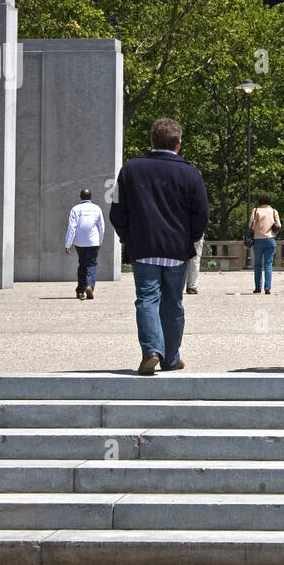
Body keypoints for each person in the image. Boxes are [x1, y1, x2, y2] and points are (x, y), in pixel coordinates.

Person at [109, 118, 209, 375]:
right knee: (173, 302)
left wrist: (127, 238)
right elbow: (201, 214)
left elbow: (117, 212)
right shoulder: (191, 173)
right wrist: (191, 239)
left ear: (152, 141)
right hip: (177, 249)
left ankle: (152, 350)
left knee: (147, 299)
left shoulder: (130, 170)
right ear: (178, 144)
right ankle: (172, 357)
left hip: (143, 247)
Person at [65, 188, 105, 300]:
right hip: (93, 241)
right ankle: (90, 286)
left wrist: (68, 244)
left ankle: (81, 291)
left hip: (80, 242)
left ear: (80, 197)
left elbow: (72, 227)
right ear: (90, 197)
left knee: (82, 264)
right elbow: (101, 226)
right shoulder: (96, 208)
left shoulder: (75, 209)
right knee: (92, 264)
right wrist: (100, 240)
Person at [248, 193, 280, 294]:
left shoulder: (256, 210)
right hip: (270, 239)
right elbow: (278, 225)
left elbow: (251, 225)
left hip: (258, 239)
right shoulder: (274, 211)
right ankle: (267, 288)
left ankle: (258, 287)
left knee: (257, 264)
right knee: (268, 264)